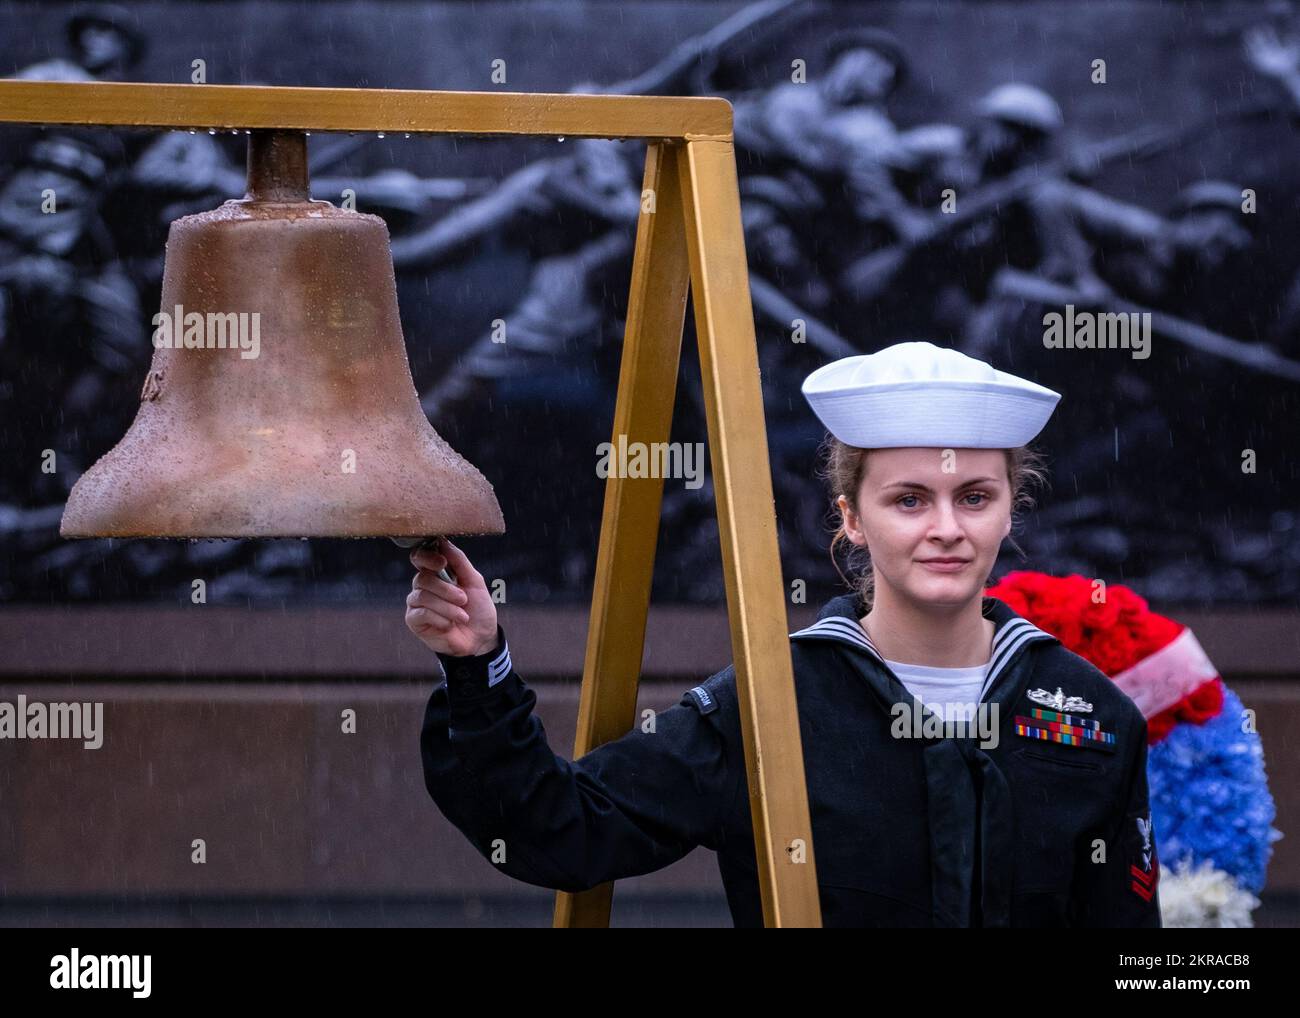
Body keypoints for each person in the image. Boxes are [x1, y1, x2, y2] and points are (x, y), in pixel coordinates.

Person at [413, 340, 1162, 928]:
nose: (946, 529)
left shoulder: (1093, 717)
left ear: (1010, 509)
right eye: (908, 500)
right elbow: (558, 826)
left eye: (974, 497)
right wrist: (477, 669)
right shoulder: (770, 707)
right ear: (851, 518)